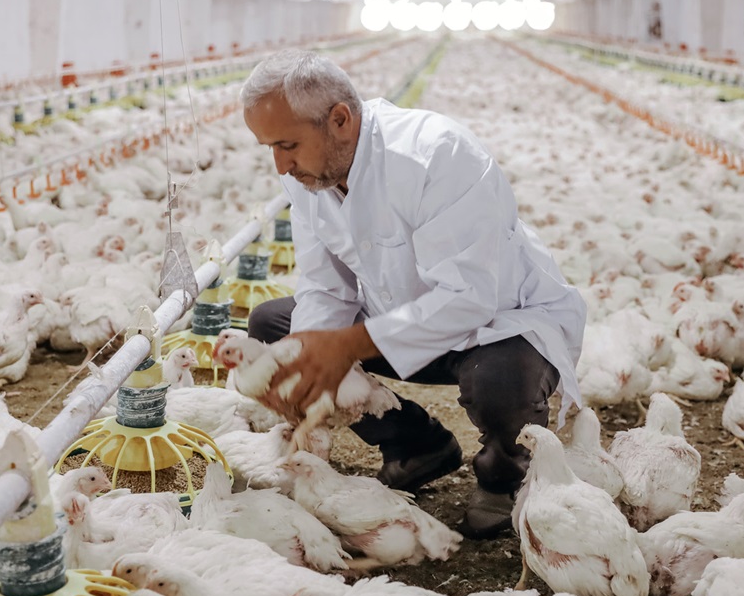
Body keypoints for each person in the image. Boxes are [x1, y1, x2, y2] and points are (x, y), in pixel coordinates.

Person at [240, 49, 586, 538]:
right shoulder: (309, 178)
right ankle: (417, 444)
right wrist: (308, 360)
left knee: (500, 375)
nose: (280, 165)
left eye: (287, 144)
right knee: (275, 330)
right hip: (399, 319)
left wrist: (346, 347)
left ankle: (503, 475)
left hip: (498, 325)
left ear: (340, 119)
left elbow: (469, 299)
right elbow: (324, 285)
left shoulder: (436, 155)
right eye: (269, 148)